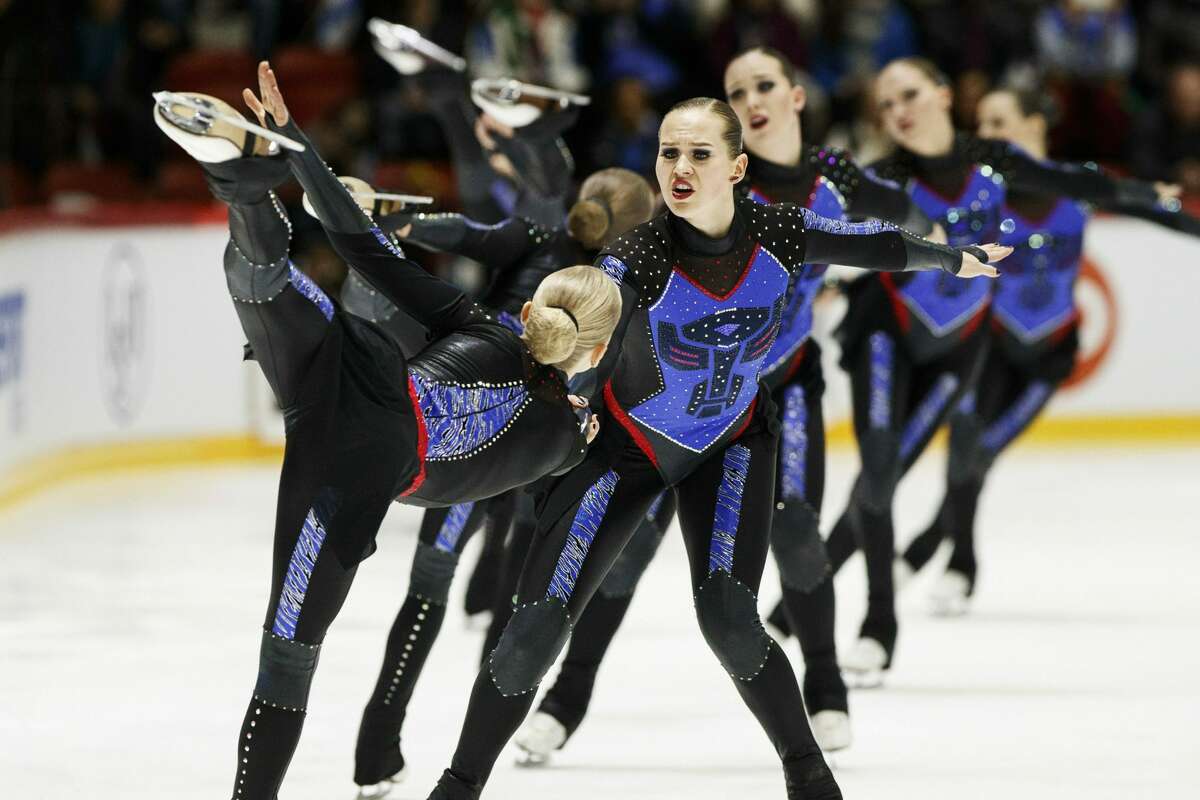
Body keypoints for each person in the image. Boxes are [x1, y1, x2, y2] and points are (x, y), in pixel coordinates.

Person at [417, 94, 1005, 800]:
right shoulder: (634, 257)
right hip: (626, 450)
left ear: (736, 168)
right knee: (532, 633)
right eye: (669, 152)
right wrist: (552, 381)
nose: (681, 168)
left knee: (729, 620)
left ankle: (812, 782)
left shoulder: (779, 232)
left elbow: (870, 242)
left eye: (700, 154)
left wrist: (952, 259)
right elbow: (586, 339)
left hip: (731, 446)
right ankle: (456, 789)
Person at [151, 61, 621, 800]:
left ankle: (245, 185)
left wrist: (300, 145)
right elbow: (540, 524)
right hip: (368, 464)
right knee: (287, 659)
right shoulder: (568, 437)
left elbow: (364, 245)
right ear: (596, 353)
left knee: (266, 279)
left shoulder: (478, 320)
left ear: (530, 310)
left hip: (352, 368)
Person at [512, 45, 941, 764]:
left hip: (778, 384)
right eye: (736, 92)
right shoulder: (706, 182)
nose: (751, 100)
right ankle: (566, 697)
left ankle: (826, 683)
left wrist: (906, 261)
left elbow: (895, 222)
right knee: (628, 551)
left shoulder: (834, 178)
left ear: (796, 97)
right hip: (674, 403)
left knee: (797, 529)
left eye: (763, 85)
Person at [823, 57, 1191, 686]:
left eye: (908, 95)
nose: (897, 111)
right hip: (935, 336)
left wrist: (1148, 195)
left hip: (1014, 350)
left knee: (963, 456)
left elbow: (1083, 185)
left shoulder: (1003, 170)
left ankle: (934, 555)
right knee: (905, 462)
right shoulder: (908, 180)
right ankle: (904, 590)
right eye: (885, 104)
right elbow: (841, 228)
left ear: (945, 94)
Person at [352, 165, 656, 798]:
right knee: (518, 601)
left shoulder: (537, 237)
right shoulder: (627, 295)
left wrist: (395, 219)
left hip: (470, 436)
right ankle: (475, 746)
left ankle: (377, 741)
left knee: (429, 585)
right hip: (544, 452)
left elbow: (464, 233)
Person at [897, 85, 1200, 614]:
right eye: (981, 125)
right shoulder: (981, 194)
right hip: (991, 344)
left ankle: (930, 547)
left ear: (1035, 125)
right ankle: (960, 562)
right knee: (965, 443)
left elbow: (1155, 209)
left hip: (1050, 354)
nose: (987, 136)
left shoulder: (1075, 186)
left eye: (999, 123)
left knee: (981, 451)